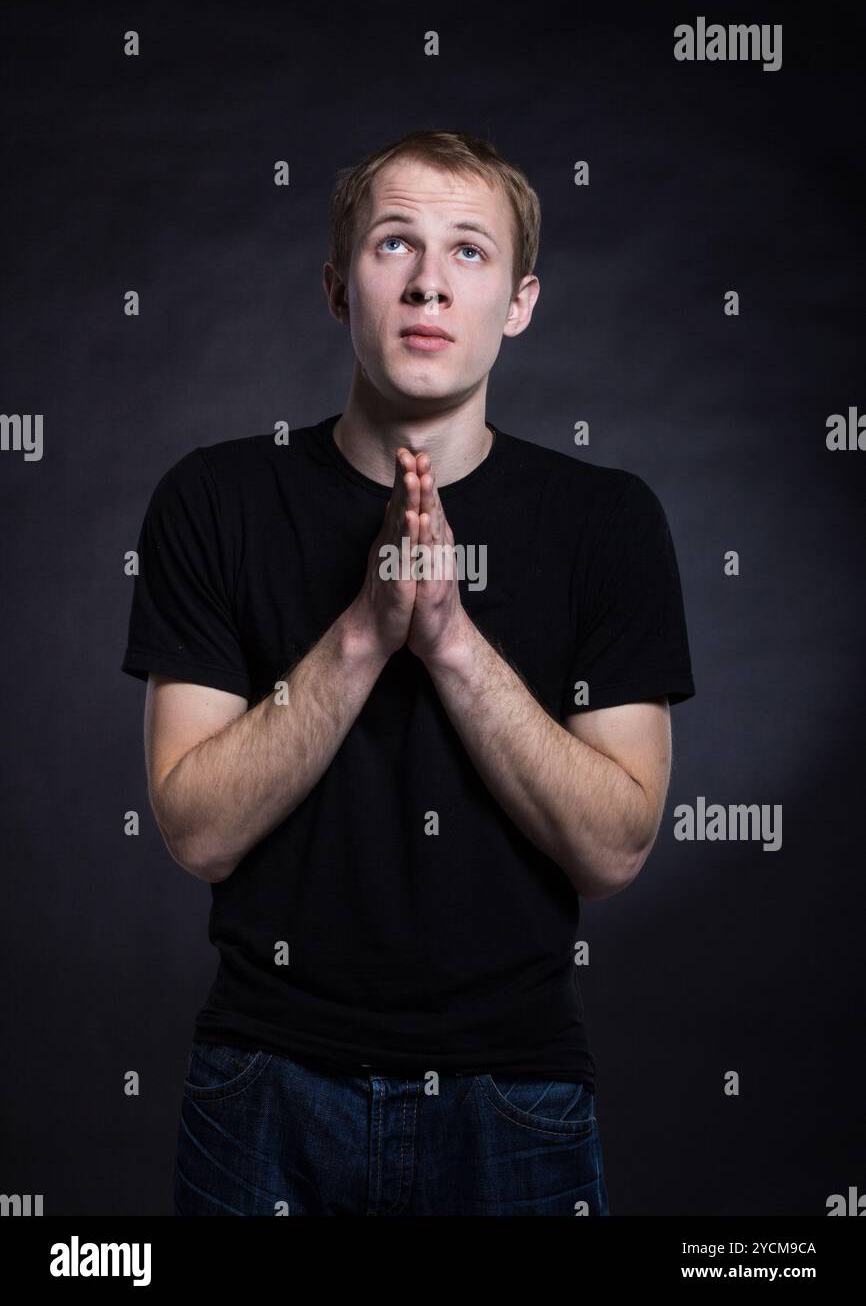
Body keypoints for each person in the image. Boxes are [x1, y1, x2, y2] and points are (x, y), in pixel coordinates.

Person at [121, 128, 695, 1216]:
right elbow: (195, 827)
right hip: (264, 1087)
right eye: (395, 245)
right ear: (339, 288)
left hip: (515, 1097)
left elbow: (614, 844)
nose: (429, 280)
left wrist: (448, 641)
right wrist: (365, 629)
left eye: (469, 252)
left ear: (518, 302)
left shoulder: (606, 523)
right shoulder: (212, 501)